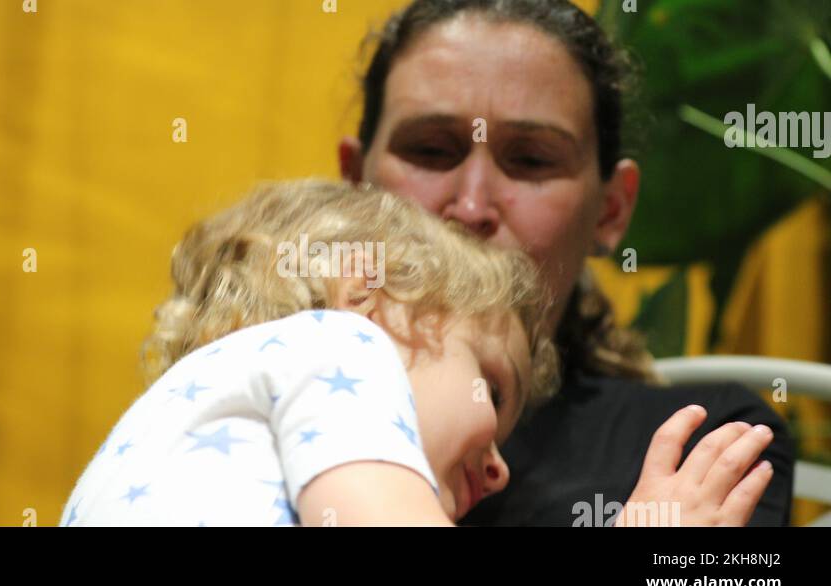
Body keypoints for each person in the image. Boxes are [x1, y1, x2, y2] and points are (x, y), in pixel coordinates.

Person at [58, 180, 774, 526]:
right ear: (368, 296)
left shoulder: (175, 423)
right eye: (491, 391)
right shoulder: (345, 346)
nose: (499, 468)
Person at [336, 0, 793, 525]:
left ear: (611, 210)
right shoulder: (264, 386)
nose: (470, 207)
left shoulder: (699, 446)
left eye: (530, 159)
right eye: (432, 150)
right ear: (353, 184)